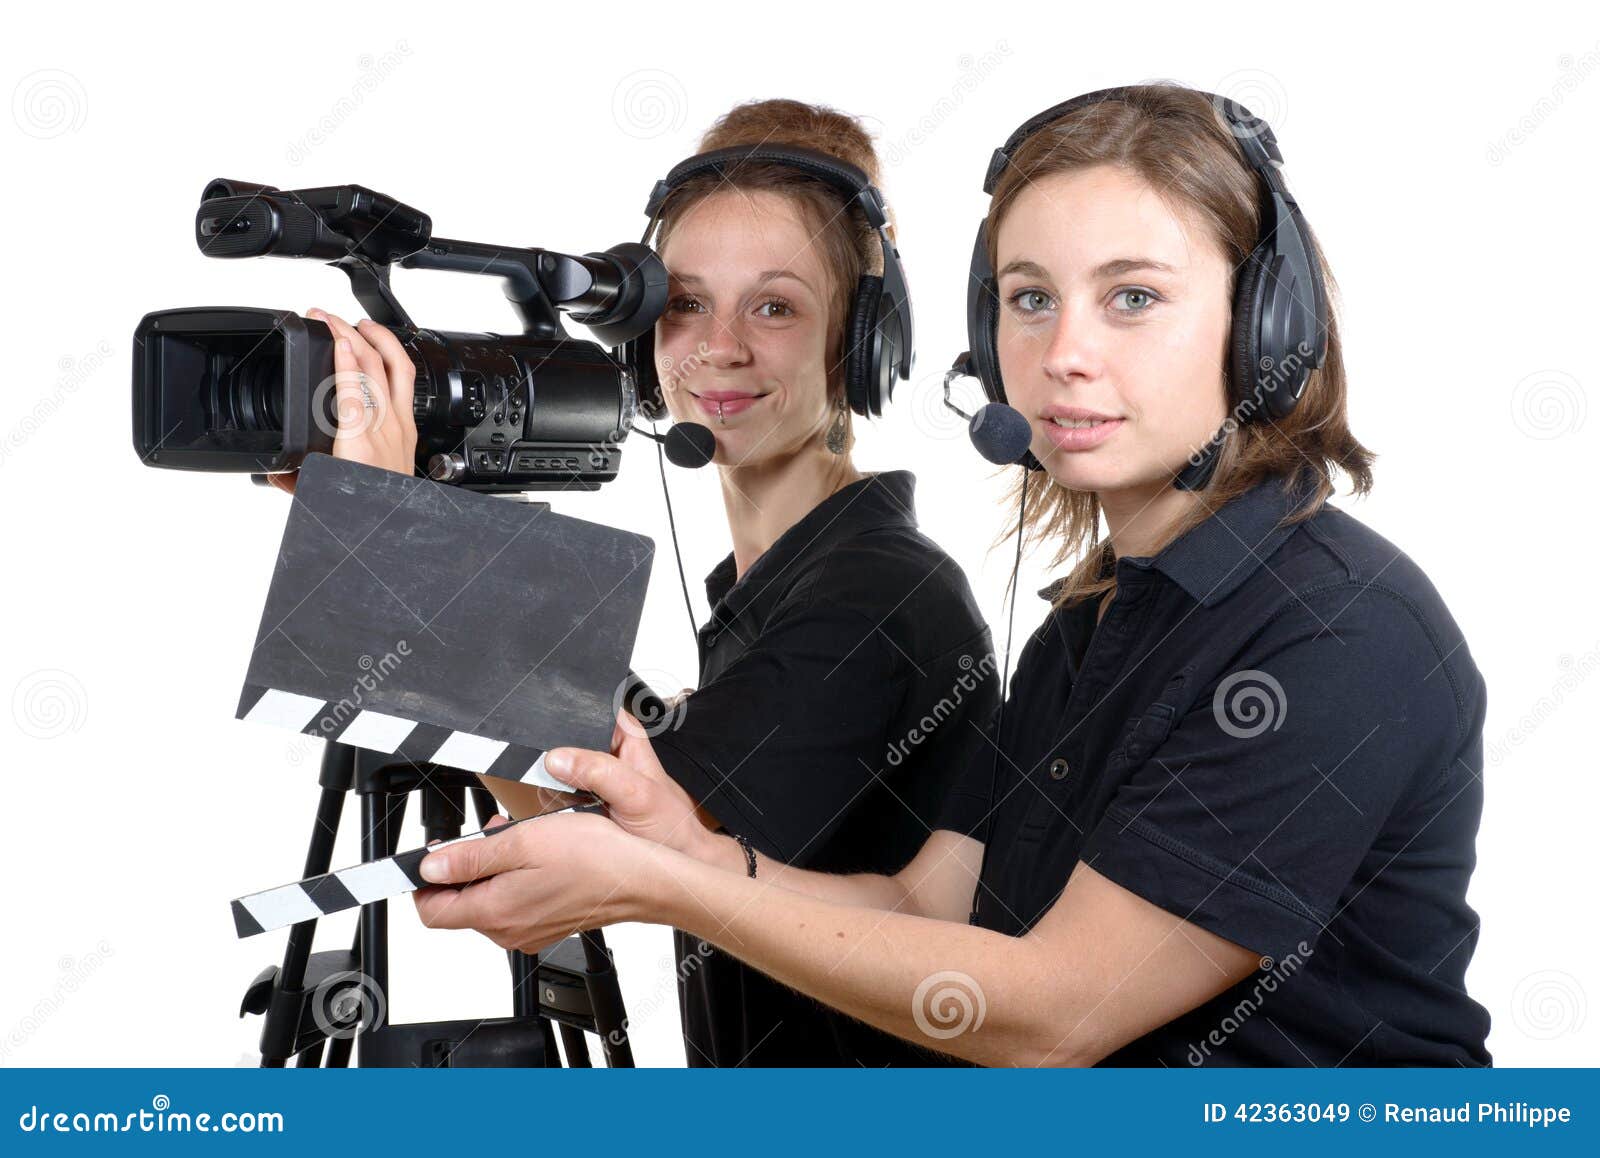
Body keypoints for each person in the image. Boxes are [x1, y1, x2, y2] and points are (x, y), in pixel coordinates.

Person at [412, 83, 1491, 1066]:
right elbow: (928, 907)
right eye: (1029, 299)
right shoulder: (1083, 628)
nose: (1064, 352)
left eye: (1132, 298)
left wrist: (670, 884)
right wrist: (692, 852)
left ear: (1265, 328)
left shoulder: (1335, 630)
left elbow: (1060, 1010)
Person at [280, 99, 998, 1067]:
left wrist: (408, 536)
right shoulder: (771, 594)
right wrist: (395, 528)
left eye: (775, 305)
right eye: (687, 303)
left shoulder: (879, 594)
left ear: (864, 337)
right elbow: (577, 837)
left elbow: (638, 844)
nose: (719, 347)